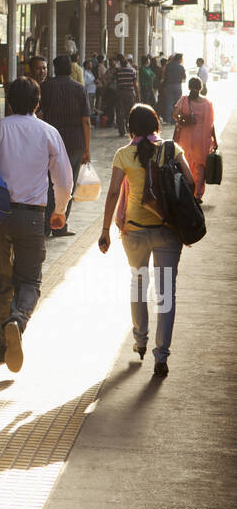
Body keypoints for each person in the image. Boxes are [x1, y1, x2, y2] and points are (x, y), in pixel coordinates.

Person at [0, 77, 72, 373]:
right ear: (38, 103)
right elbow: (64, 178)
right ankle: (18, 320)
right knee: (30, 280)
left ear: (9, 101)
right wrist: (60, 210)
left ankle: (3, 345)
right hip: (32, 216)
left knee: (1, 278)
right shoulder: (49, 132)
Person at [98, 102, 196, 378]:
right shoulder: (171, 149)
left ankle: (140, 341)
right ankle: (161, 355)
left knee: (139, 283)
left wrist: (105, 230)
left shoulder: (123, 154)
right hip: (167, 231)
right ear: (155, 125)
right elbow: (190, 182)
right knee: (166, 294)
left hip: (135, 231)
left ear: (130, 128)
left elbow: (114, 191)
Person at [39, 54, 91, 236]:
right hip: (74, 143)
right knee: (67, 184)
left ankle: (45, 225)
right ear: (70, 69)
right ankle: (60, 225)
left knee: (48, 184)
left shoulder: (45, 87)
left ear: (54, 69)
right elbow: (86, 121)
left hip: (50, 143)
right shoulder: (79, 89)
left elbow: (40, 114)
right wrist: (87, 149)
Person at [172, 76, 217, 198]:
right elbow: (211, 124)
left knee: (186, 163)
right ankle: (198, 194)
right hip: (201, 139)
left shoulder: (184, 100)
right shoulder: (207, 103)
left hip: (185, 138)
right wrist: (215, 141)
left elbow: (174, 114)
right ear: (201, 88)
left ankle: (187, 191)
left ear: (189, 87)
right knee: (200, 165)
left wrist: (182, 119)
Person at [113, 53, 139, 136]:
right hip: (129, 93)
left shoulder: (118, 72)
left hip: (120, 93)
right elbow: (135, 84)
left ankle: (121, 131)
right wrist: (138, 94)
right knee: (130, 112)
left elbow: (116, 82)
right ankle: (130, 129)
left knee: (119, 112)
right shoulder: (132, 71)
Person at [161, 52, 186, 122]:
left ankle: (168, 119)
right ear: (180, 59)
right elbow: (184, 77)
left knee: (169, 103)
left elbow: (164, 74)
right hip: (178, 86)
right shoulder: (181, 67)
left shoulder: (168, 66)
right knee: (177, 103)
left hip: (169, 85)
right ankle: (175, 119)